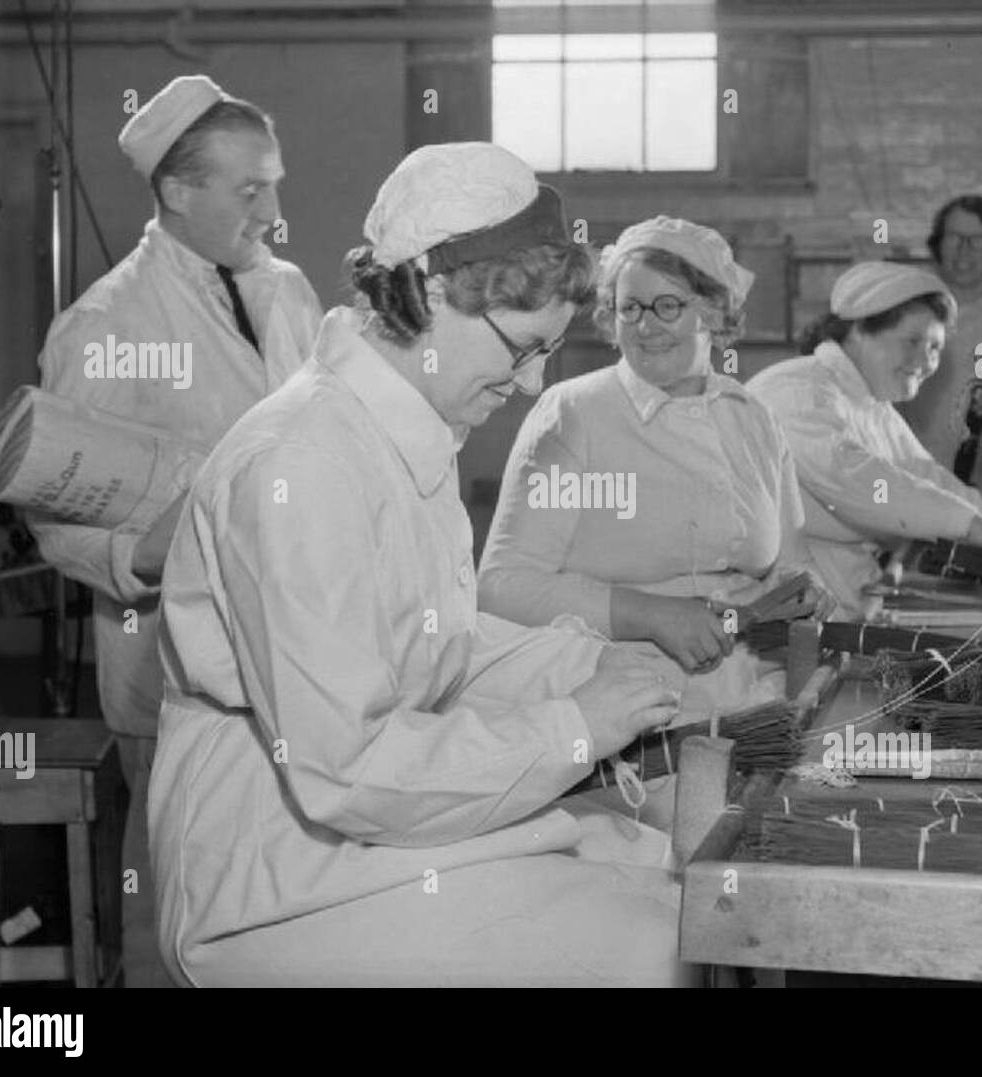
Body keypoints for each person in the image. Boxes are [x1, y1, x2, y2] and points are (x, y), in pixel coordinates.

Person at [147, 143, 689, 987]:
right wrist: (576, 723)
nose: (530, 381)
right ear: (435, 292)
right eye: (522, 348)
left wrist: (592, 663)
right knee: (653, 949)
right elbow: (346, 768)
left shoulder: (402, 435)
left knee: (660, 875)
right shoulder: (302, 462)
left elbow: (431, 646)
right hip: (273, 874)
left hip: (344, 833)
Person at [27, 75, 322, 986]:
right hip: (170, 665)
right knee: (178, 916)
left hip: (302, 658)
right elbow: (50, 515)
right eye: (250, 190)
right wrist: (132, 554)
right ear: (179, 192)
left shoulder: (289, 292)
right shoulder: (105, 326)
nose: (273, 208)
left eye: (273, 183)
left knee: (290, 906)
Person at [479, 216, 831, 728]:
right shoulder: (575, 414)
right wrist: (648, 613)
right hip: (620, 711)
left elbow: (791, 562)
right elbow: (502, 586)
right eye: (630, 308)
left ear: (713, 312)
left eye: (668, 306)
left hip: (751, 700)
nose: (646, 326)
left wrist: (806, 588)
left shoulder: (753, 418)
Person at [747, 261, 982, 620]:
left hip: (835, 612)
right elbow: (851, 476)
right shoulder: (797, 390)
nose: (925, 361)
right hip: (771, 627)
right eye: (912, 341)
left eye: (936, 348)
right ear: (859, 330)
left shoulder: (873, 408)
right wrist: (967, 524)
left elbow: (933, 482)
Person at [897, 195, 982, 506]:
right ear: (938, 244)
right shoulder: (907, 319)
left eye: (978, 240)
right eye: (954, 237)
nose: (963, 249)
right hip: (918, 487)